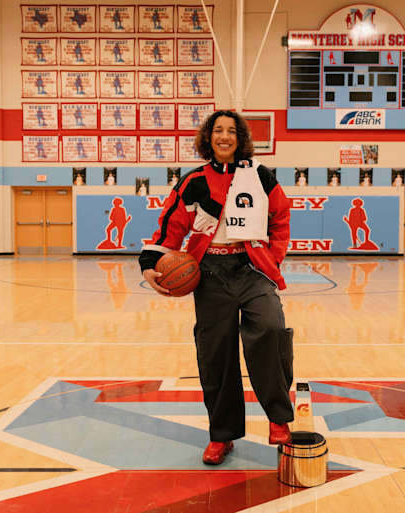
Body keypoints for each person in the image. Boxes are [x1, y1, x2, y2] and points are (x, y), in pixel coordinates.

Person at [139, 110, 294, 465]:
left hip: (252, 269)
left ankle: (278, 417)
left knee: (271, 329)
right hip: (209, 273)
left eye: (231, 131)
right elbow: (171, 224)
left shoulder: (261, 176)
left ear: (241, 138)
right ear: (208, 138)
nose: (224, 136)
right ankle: (222, 435)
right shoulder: (193, 181)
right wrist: (151, 263)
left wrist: (272, 258)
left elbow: (281, 217)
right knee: (216, 354)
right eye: (217, 130)